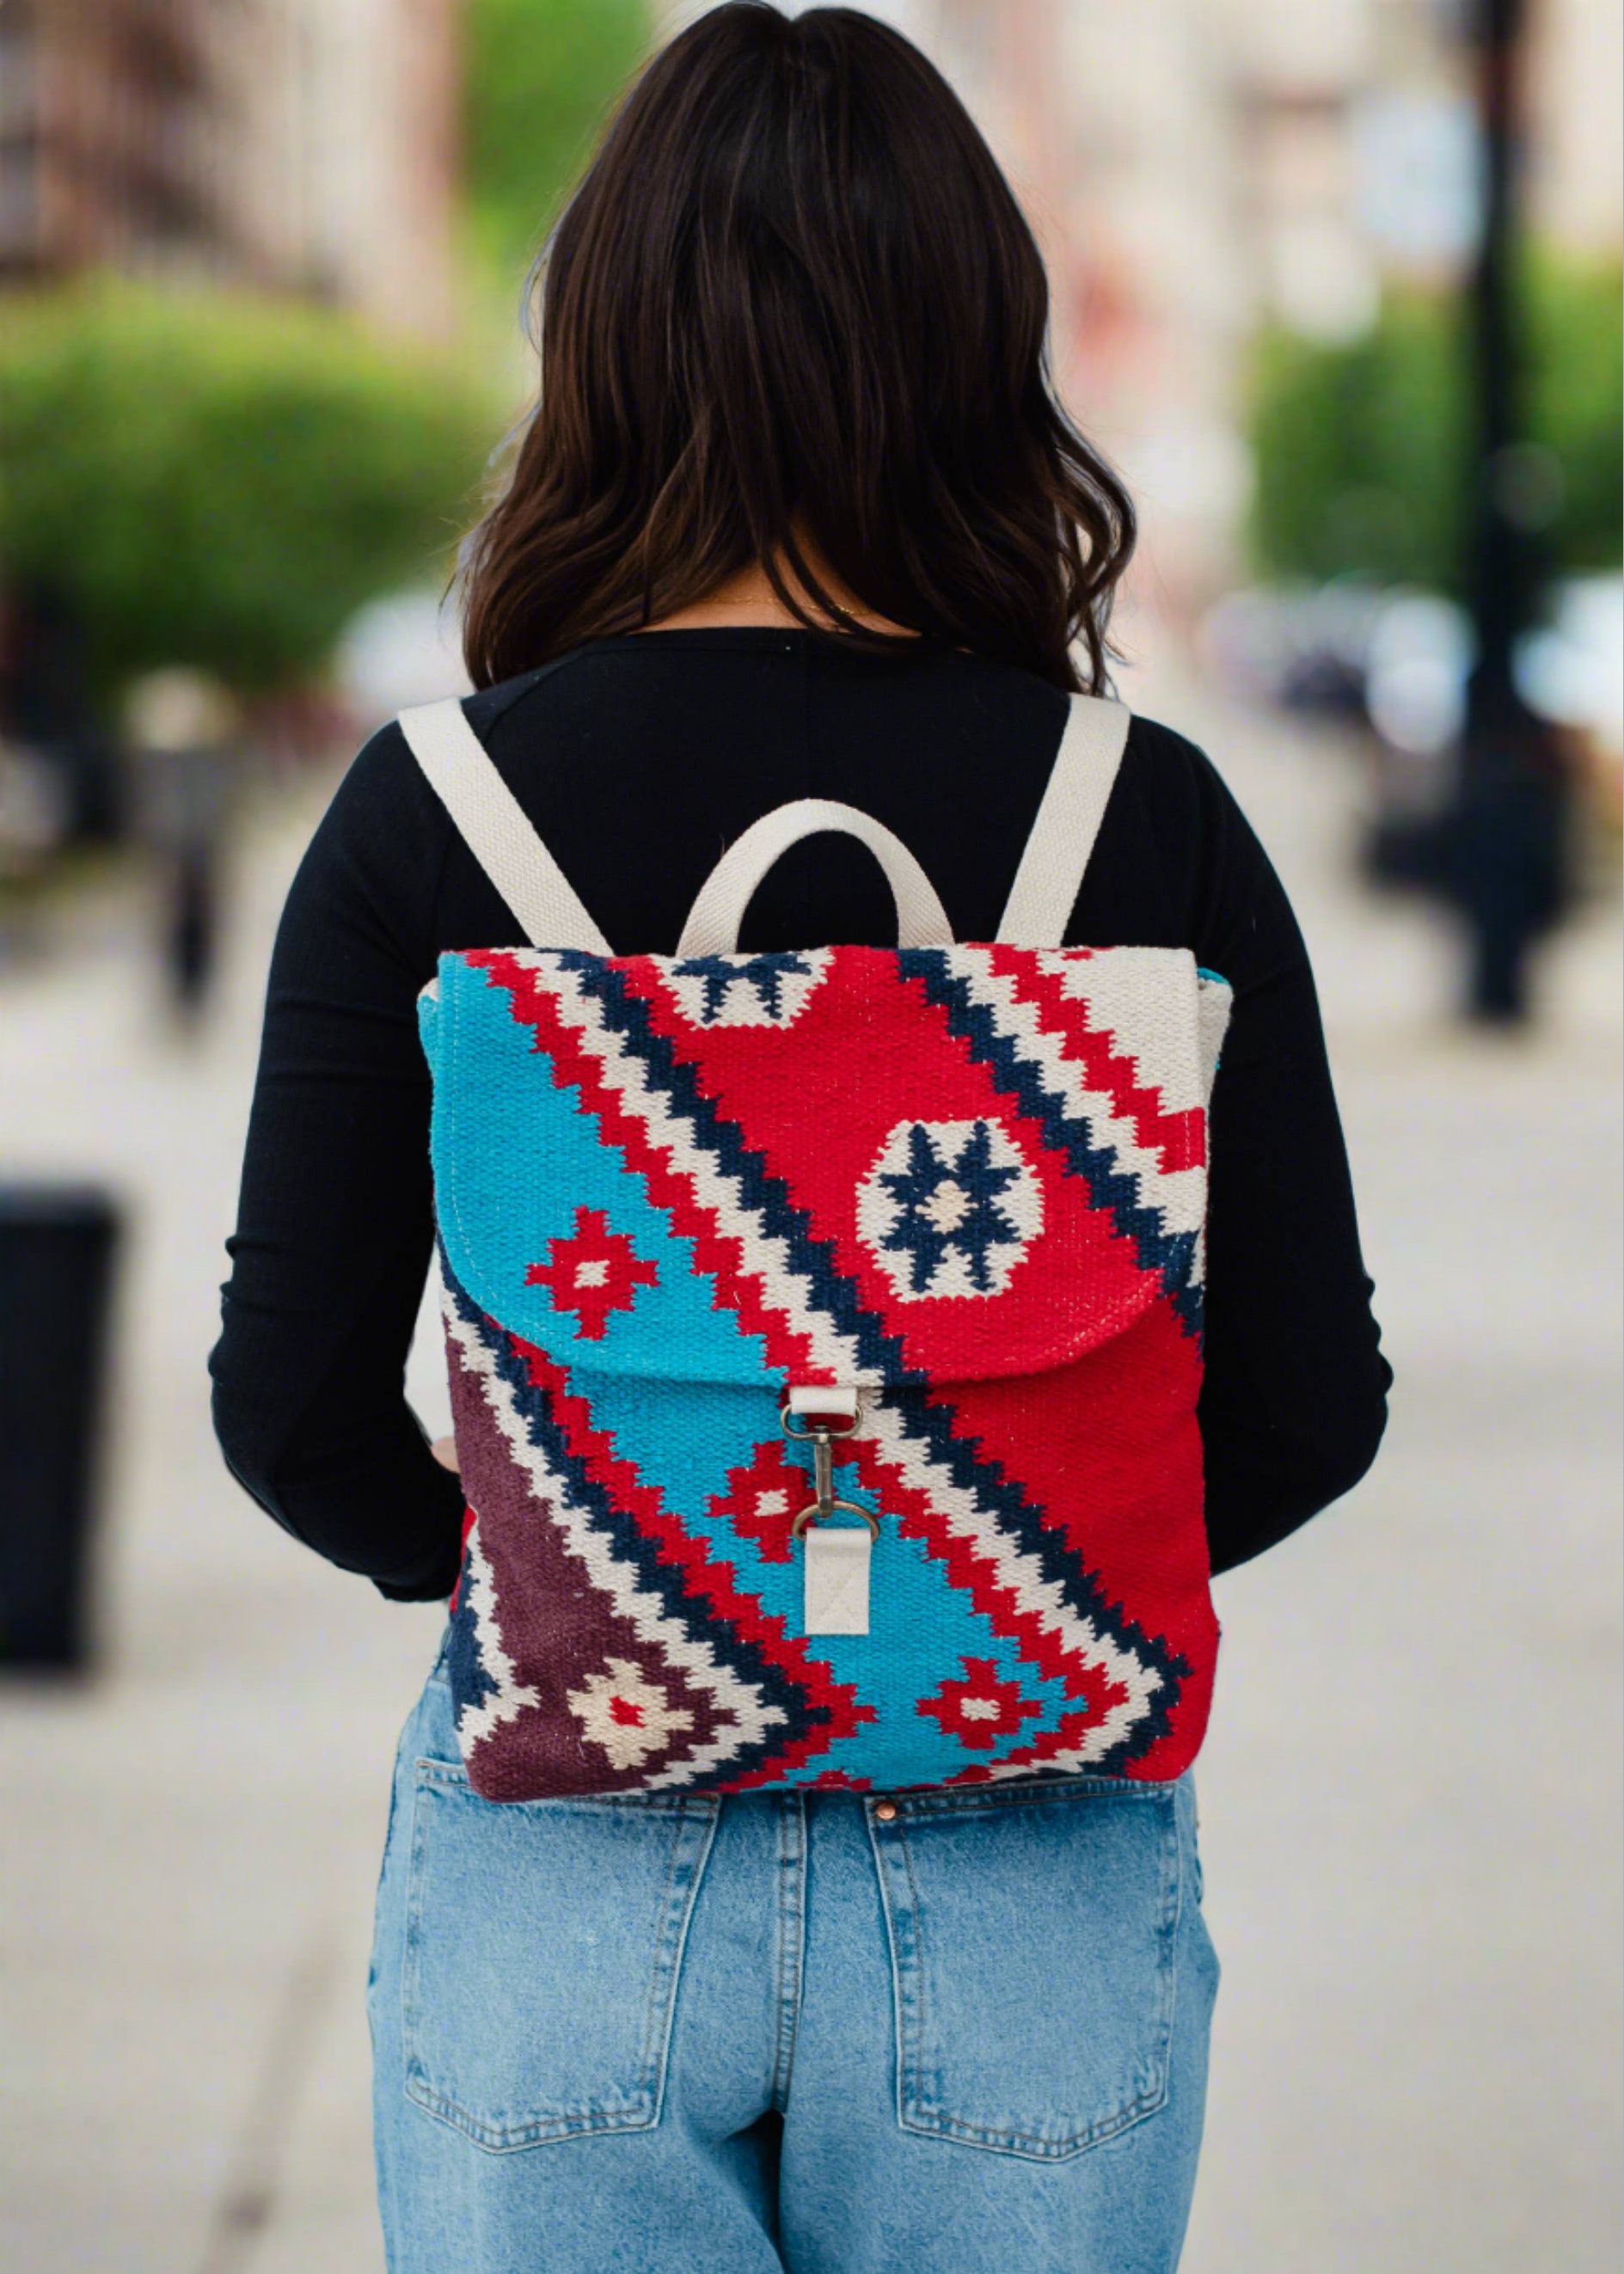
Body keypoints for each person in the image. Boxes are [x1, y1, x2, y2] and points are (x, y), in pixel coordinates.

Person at [211, 9, 1389, 2269]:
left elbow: (288, 1411)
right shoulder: (1138, 821)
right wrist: (984, 1594)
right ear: (976, 341)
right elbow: (1309, 1405)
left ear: (610, 343)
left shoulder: (429, 820)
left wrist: (590, 1575)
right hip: (1027, 1852)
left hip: (571, 1861)